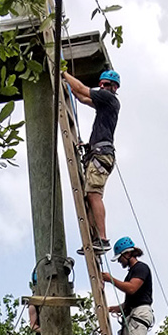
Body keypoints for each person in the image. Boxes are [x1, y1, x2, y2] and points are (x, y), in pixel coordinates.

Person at [62, 67, 120, 252]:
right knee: (89, 196)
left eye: (105, 85)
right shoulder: (104, 104)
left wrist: (62, 72)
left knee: (94, 194)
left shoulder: (110, 99)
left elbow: (81, 88)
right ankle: (95, 238)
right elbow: (81, 97)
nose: (101, 87)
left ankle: (102, 238)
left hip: (102, 154)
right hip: (98, 153)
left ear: (113, 87)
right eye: (100, 84)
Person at [101, 236, 152, 335]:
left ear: (128, 254)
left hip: (141, 312)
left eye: (120, 258)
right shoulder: (131, 273)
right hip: (133, 312)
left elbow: (131, 288)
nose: (119, 261)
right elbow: (129, 301)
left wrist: (111, 279)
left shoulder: (141, 268)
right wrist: (111, 309)